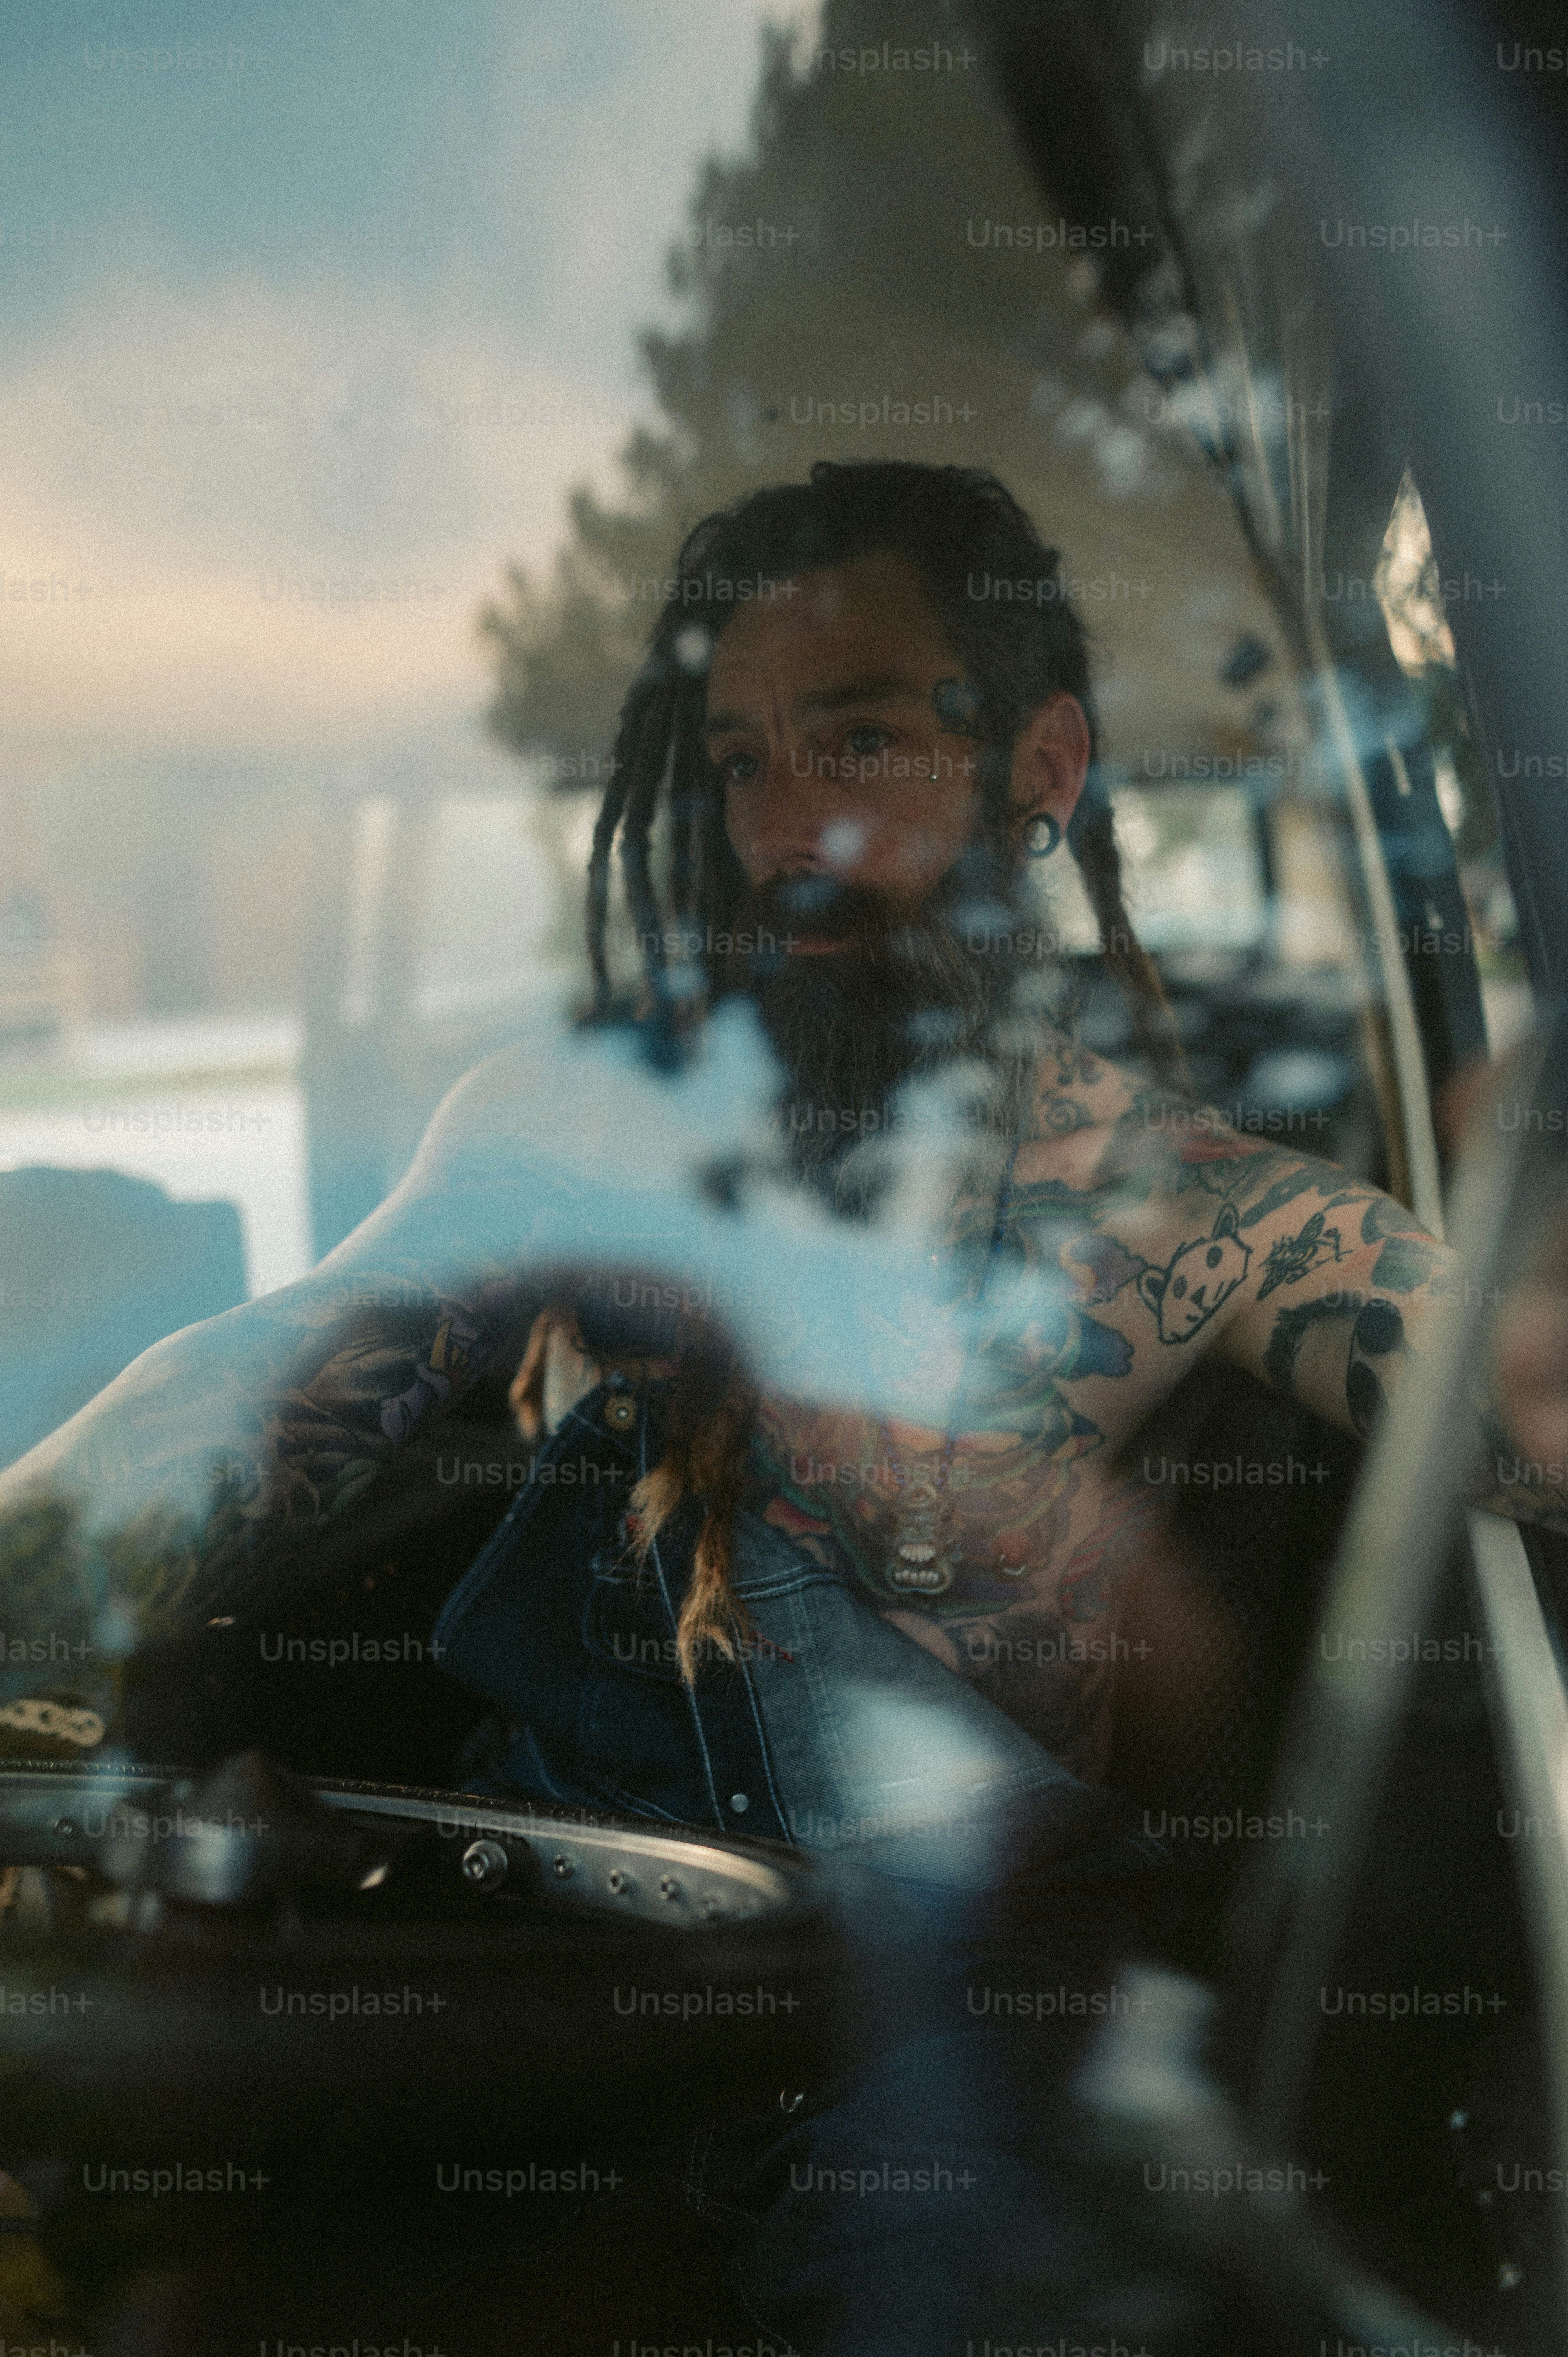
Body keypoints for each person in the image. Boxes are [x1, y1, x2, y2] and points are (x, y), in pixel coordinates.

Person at [1, 462, 1563, 2353]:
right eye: (738, 757)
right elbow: (269, 1383)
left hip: (925, 2083)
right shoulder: (578, 1128)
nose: (778, 823)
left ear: (1041, 767)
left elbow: (1516, 1397)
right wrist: (42, 1586)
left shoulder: (1199, 1213)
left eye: (859, 738)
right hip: (527, 2029)